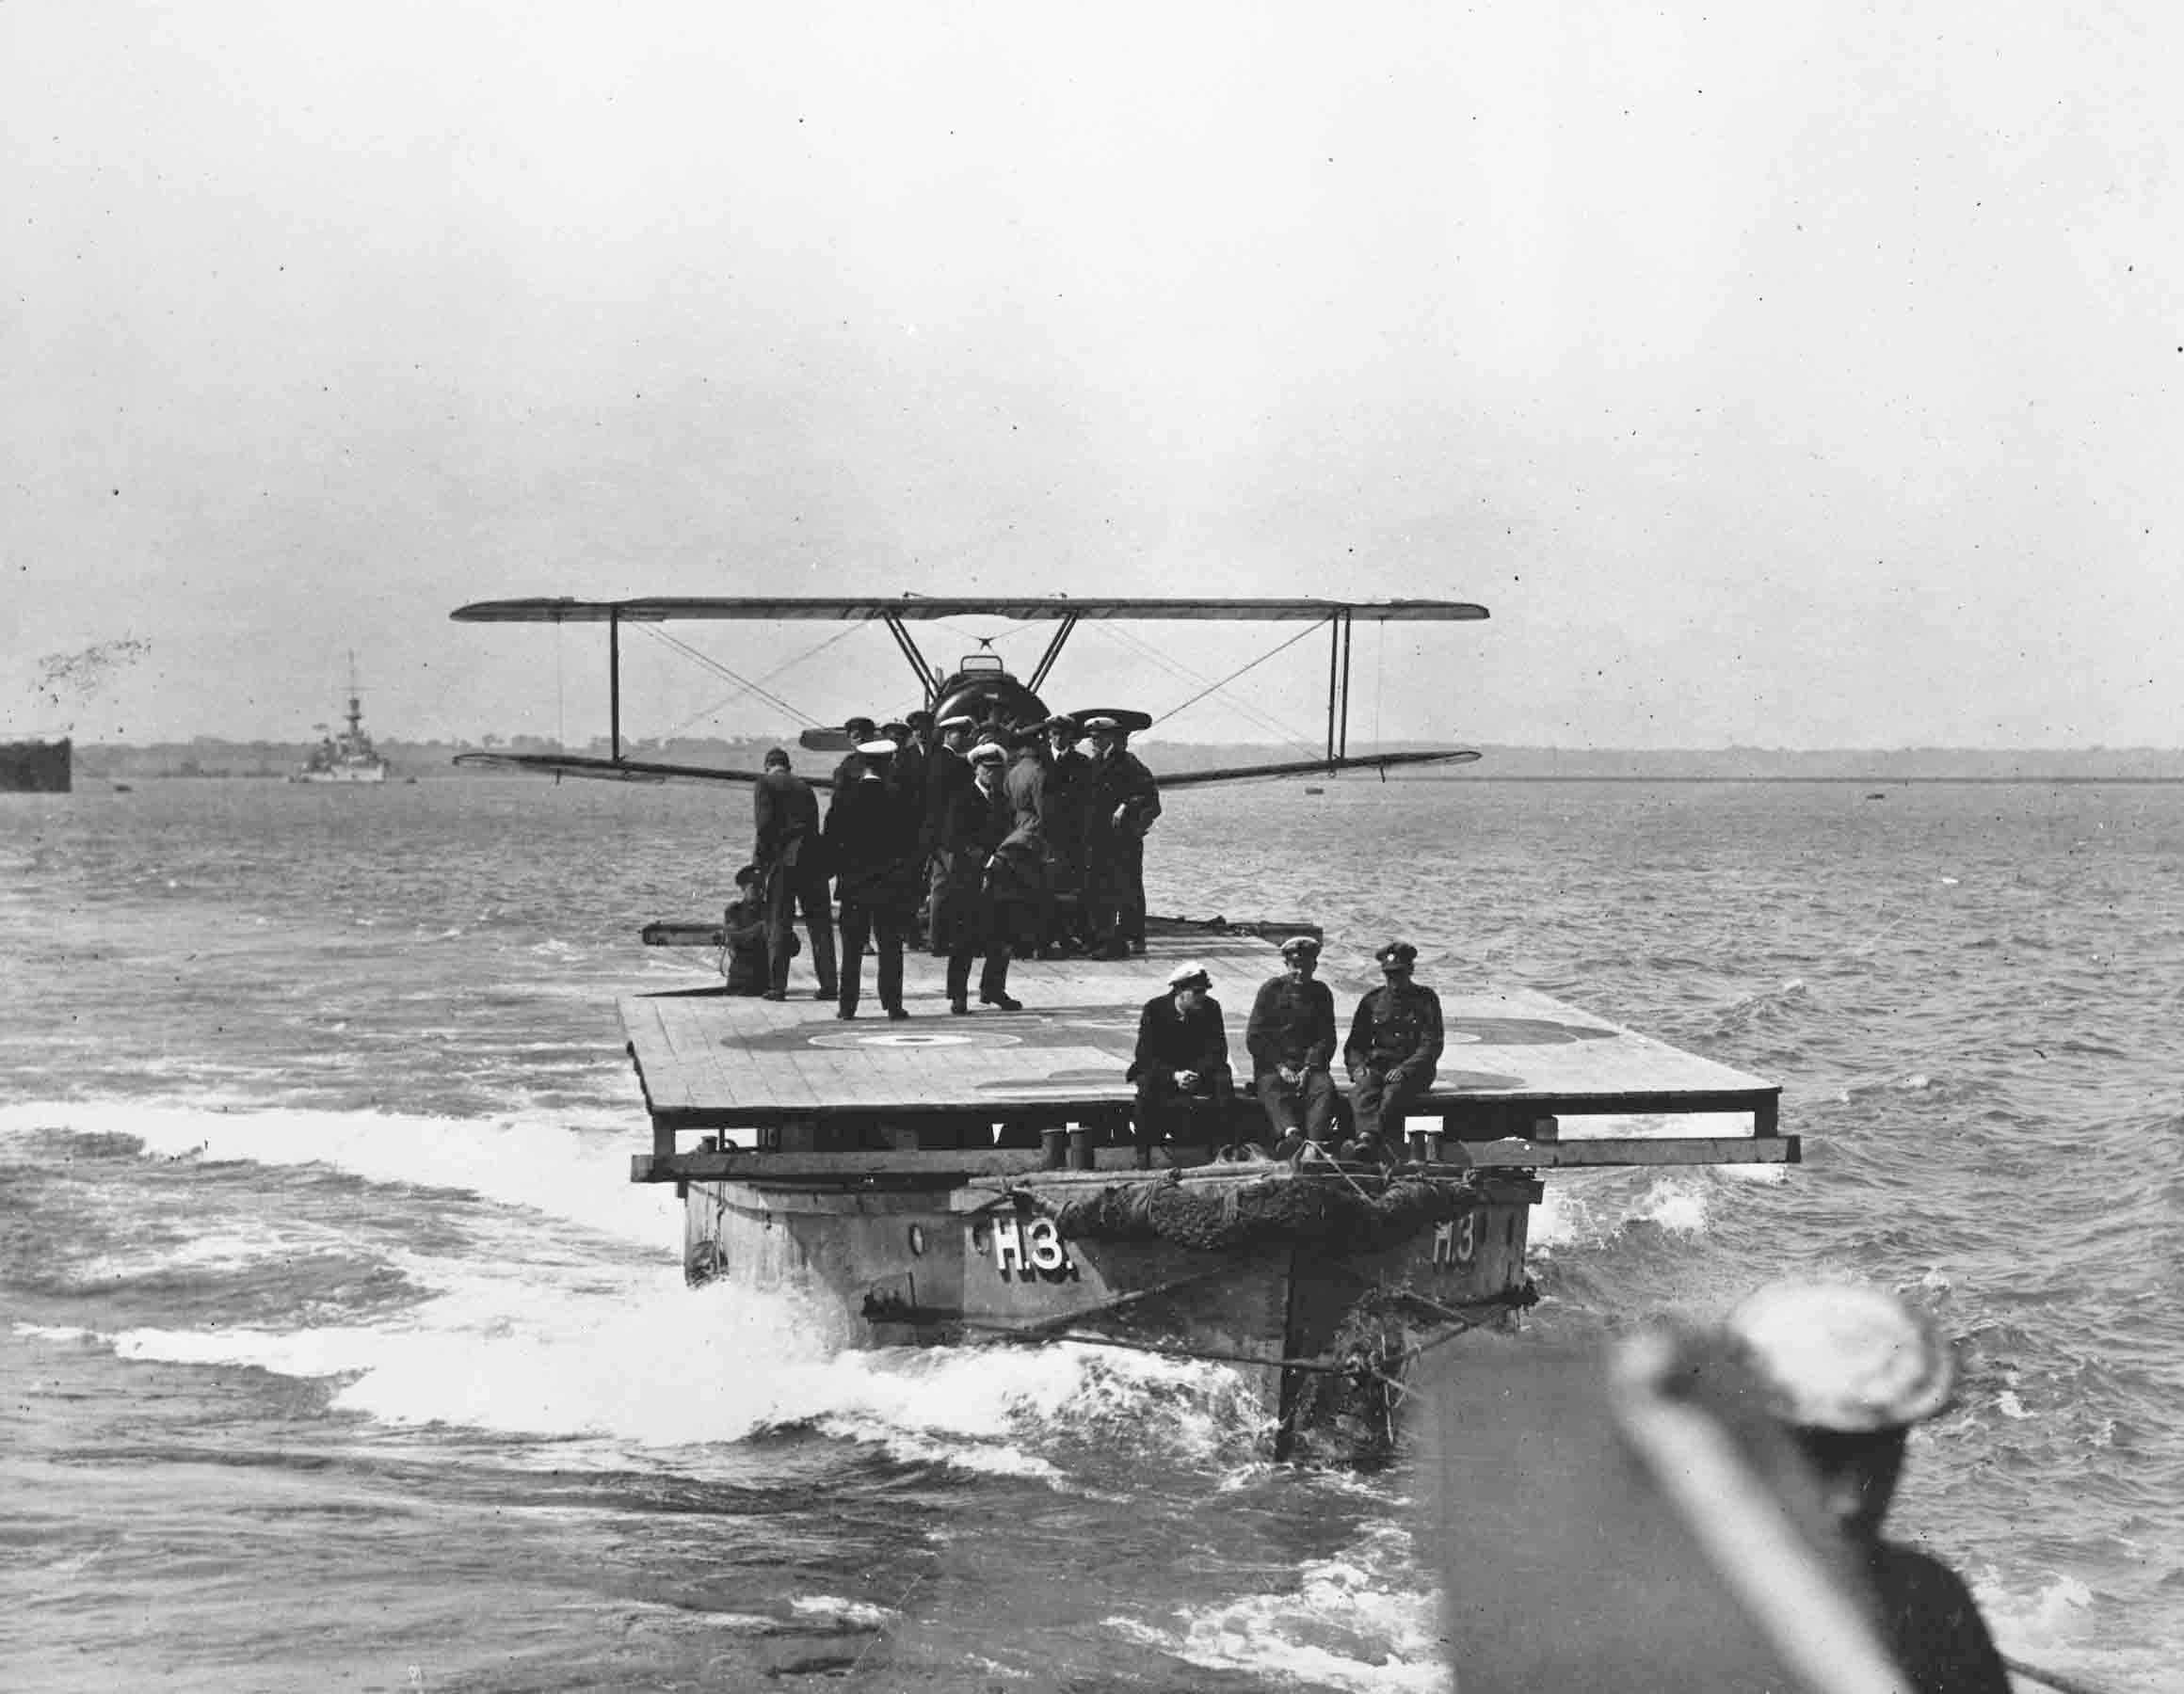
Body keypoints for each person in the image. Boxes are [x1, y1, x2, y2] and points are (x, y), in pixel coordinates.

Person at [1725, 1280, 2012, 1694]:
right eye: (1823, 1457)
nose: (1853, 1500)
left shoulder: (1930, 1603)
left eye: (1880, 1453)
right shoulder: (1660, 1613)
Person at [824, 740, 919, 1021]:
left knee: (852, 951)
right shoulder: (898, 798)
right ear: (888, 764)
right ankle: (892, 1004)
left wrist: (841, 872)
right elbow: (909, 844)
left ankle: (847, 1006)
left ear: (863, 765)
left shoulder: (843, 799)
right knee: (890, 948)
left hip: (853, 887)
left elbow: (830, 841)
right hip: (888, 887)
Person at [934, 741, 1019, 1014]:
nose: (992, 773)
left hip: (1000, 877)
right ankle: (958, 995)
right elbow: (953, 838)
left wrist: (1004, 858)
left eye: (997, 769)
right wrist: (984, 859)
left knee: (1001, 937)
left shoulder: (1004, 802)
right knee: (964, 940)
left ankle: (993, 989)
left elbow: (1010, 834)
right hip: (967, 877)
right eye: (987, 768)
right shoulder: (960, 799)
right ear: (976, 769)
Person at [1126, 962, 1234, 1167]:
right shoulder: (1155, 1009)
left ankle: (1224, 1149)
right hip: (1165, 1074)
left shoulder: (1211, 1008)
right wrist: (1174, 1076)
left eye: (1204, 991)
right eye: (1196, 992)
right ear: (1180, 992)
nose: (1202, 997)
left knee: (1223, 1081)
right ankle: (1143, 1153)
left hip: (1198, 1074)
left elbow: (1218, 1051)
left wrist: (1196, 1074)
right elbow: (1145, 1055)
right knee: (1146, 1086)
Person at [752, 746, 838, 1002]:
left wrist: (759, 864)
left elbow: (764, 826)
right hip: (813, 859)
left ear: (767, 765)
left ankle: (777, 987)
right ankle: (829, 985)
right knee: (820, 926)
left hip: (784, 861)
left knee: (779, 922)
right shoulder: (804, 786)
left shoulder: (765, 783)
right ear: (788, 766)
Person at [1342, 939, 1443, 1146]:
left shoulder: (1426, 999)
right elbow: (1355, 1044)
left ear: (1411, 970)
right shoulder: (1372, 1000)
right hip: (1379, 1067)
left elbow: (1431, 1044)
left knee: (1392, 1093)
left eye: (1399, 973)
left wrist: (1405, 1069)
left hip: (1414, 1071)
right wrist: (1357, 1067)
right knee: (1364, 1088)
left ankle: (1368, 1139)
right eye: (1389, 974)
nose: (1394, 979)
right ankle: (1366, 1139)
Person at [1246, 935, 1339, 1150]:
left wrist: (1308, 1067)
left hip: (1309, 1066)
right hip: (1274, 1065)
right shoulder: (1271, 990)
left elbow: (1326, 1038)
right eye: (1295, 966)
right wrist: (1280, 1066)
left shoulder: (1321, 993)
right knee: (1270, 1087)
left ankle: (1314, 1145)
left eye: (1306, 967)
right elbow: (1255, 1036)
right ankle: (1291, 1134)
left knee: (1323, 1087)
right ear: (1286, 965)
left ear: (1314, 966)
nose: (1300, 972)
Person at [1083, 715, 1161, 959]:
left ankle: (1134, 937)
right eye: (1091, 738)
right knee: (1100, 887)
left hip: (1123, 839)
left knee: (1129, 887)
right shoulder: (1092, 764)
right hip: (1098, 838)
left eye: (1097, 738)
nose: (1093, 742)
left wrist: (1127, 806)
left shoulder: (1128, 763)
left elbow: (1150, 798)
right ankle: (1102, 938)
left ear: (1110, 739)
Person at [922, 712, 977, 955]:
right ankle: (952, 939)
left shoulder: (935, 760)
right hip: (952, 837)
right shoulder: (956, 764)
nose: (964, 738)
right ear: (947, 735)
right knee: (956, 888)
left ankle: (937, 940)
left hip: (937, 837)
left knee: (940, 888)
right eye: (960, 734)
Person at [1038, 715, 1090, 955]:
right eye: (1055, 733)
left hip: (1072, 835)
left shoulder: (1082, 763)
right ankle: (1047, 936)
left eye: (1064, 734)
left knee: (1072, 886)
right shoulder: (1038, 760)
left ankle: (1070, 935)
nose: (1059, 738)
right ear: (1049, 735)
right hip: (1044, 834)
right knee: (1045, 886)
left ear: (1071, 737)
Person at [719, 864, 775, 996]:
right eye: (755, 887)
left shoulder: (771, 911)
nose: (760, 892)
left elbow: (794, 948)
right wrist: (760, 928)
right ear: (744, 888)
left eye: (762, 887)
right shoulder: (734, 911)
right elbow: (734, 938)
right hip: (739, 983)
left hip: (765, 984)